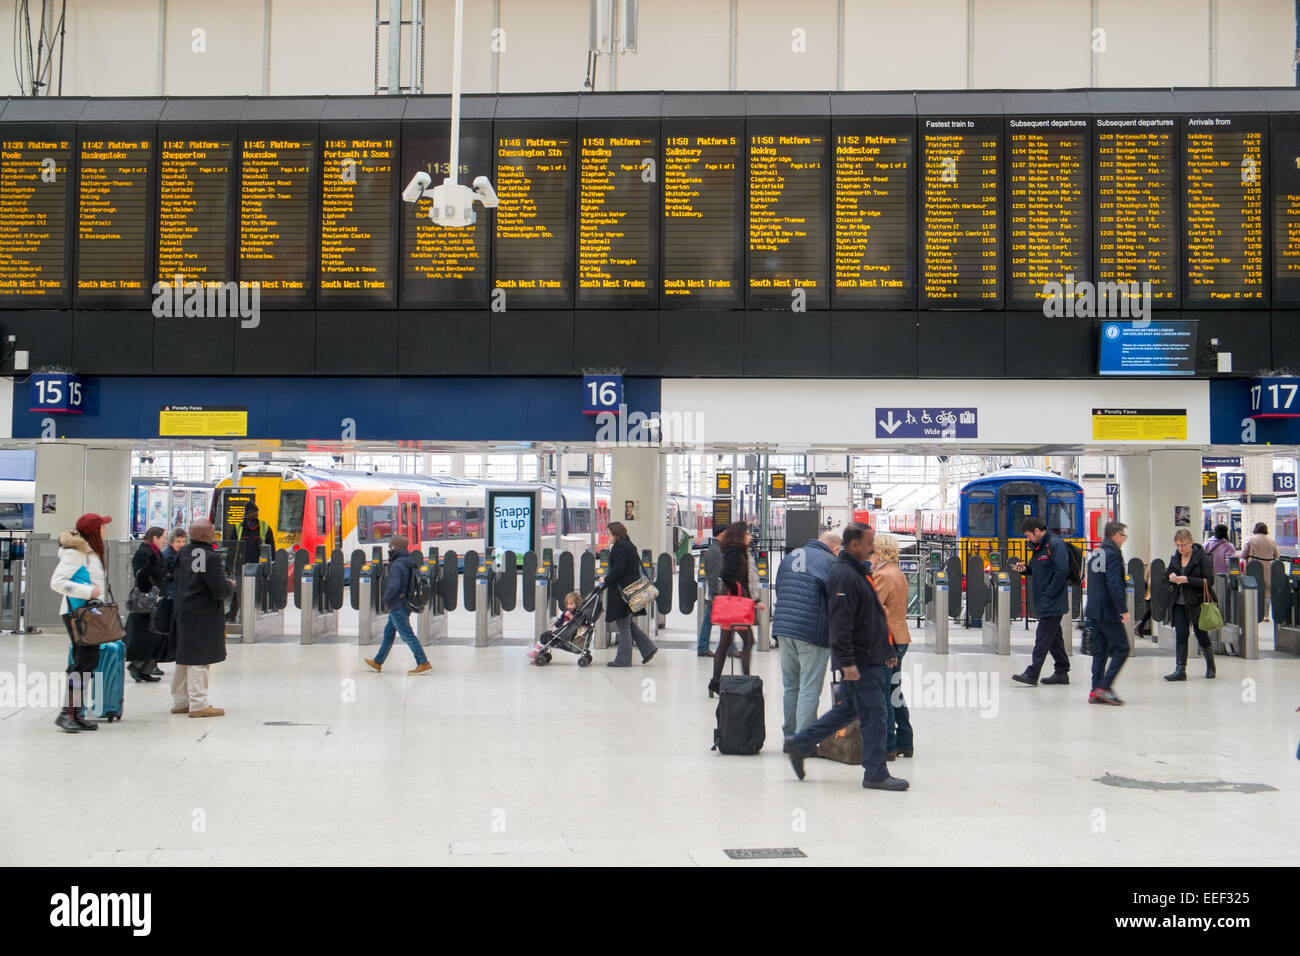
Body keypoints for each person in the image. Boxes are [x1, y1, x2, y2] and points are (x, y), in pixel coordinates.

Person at [783, 523, 908, 792]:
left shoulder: (858, 572)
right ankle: (875, 773)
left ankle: (800, 743)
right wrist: (847, 662)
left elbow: (872, 616)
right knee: (876, 714)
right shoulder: (844, 575)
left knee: (848, 710)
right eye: (868, 542)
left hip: (870, 655)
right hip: (861, 660)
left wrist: (887, 652)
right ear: (853, 545)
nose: (872, 547)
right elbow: (839, 622)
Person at [772, 531, 839, 737]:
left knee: (791, 686)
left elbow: (780, 588)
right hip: (812, 632)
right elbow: (836, 598)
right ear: (835, 549)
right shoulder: (830, 561)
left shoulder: (790, 556)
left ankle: (790, 735)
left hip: (784, 628)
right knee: (809, 687)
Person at [48, 514, 110, 733]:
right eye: (102, 527)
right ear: (94, 530)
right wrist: (88, 591)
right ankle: (67, 713)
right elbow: (57, 582)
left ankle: (75, 712)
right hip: (76, 613)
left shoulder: (89, 552)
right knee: (83, 661)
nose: (105, 531)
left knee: (88, 661)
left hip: (88, 613)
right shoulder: (76, 553)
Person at [169, 519, 235, 717]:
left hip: (183, 609)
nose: (214, 533)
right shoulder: (209, 556)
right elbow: (217, 588)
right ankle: (199, 703)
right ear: (207, 535)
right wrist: (229, 586)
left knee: (184, 656)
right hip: (203, 612)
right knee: (200, 657)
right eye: (212, 531)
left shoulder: (183, 552)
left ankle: (180, 701)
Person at [1010, 516, 1070, 687]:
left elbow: (1062, 571)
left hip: (1053, 600)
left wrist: (1049, 594)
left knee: (1042, 637)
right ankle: (1062, 671)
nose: (1027, 539)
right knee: (1054, 638)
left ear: (1037, 531)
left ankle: (1032, 673)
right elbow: (1036, 568)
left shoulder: (1055, 545)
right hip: (1046, 599)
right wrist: (1024, 569)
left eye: (1029, 535)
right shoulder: (1039, 547)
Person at [871, 533, 914, 761]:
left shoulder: (883, 576)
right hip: (901, 637)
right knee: (895, 690)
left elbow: (872, 607)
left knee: (884, 692)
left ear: (879, 552)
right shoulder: (898, 573)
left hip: (888, 640)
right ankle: (905, 741)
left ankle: (888, 745)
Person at [364, 535, 432, 675]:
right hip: (404, 602)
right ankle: (377, 662)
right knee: (389, 633)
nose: (389, 550)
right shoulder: (407, 561)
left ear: (394, 548)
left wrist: (386, 599)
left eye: (390, 547)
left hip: (398, 605)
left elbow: (394, 585)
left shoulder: (396, 565)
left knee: (407, 635)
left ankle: (423, 662)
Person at [708, 522, 762, 695]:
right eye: (747, 534)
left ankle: (715, 682)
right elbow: (726, 576)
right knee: (748, 641)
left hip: (736, 600)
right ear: (739, 535)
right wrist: (737, 592)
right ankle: (745, 679)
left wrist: (755, 598)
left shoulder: (739, 551)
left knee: (725, 642)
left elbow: (743, 578)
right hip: (736, 602)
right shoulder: (735, 552)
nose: (750, 537)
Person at [1085, 521, 1130, 705]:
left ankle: (1095, 690)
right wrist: (1122, 609)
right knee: (1123, 648)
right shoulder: (1112, 555)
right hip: (1107, 610)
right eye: (1123, 536)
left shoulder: (1096, 553)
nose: (1124, 540)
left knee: (1100, 652)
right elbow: (1114, 584)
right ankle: (1104, 688)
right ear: (1115, 535)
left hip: (1094, 609)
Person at [603, 521, 659, 668]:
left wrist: (606, 579)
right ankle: (648, 649)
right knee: (627, 623)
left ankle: (623, 659)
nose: (607, 536)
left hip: (624, 593)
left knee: (623, 624)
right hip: (631, 591)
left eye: (608, 533)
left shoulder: (619, 547)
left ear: (615, 533)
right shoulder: (629, 545)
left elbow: (619, 569)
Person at [1164, 529, 1217, 681]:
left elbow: (1209, 581)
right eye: (1178, 545)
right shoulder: (1176, 557)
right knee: (1181, 634)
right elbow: (1167, 572)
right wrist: (1170, 575)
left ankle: (1210, 665)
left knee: (1201, 634)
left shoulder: (1202, 558)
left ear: (1191, 543)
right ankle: (1180, 669)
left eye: (1183, 545)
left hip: (1197, 603)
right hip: (1179, 603)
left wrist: (1187, 579)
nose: (1180, 549)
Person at [125, 526, 168, 683]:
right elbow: (141, 576)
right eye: (162, 537)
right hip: (145, 601)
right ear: (155, 538)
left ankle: (145, 669)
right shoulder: (143, 554)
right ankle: (137, 666)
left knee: (154, 636)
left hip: (155, 600)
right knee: (145, 636)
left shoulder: (156, 554)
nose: (164, 540)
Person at [696, 526, 726, 657]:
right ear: (721, 534)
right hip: (716, 594)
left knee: (716, 620)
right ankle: (703, 647)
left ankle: (704, 646)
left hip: (715, 593)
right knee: (721, 621)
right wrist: (717, 595)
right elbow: (714, 576)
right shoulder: (716, 552)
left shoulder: (715, 549)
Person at [1241, 522, 1280, 621]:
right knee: (1267, 591)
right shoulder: (1271, 541)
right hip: (1268, 566)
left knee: (1253, 588)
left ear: (1255, 529)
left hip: (1253, 565)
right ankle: (1266, 615)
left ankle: (1254, 612)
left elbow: (1243, 554)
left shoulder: (1251, 539)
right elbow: (1276, 555)